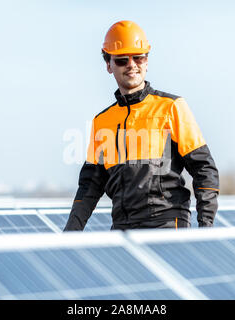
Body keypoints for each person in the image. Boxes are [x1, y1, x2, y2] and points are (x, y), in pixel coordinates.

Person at [64, 20, 219, 231]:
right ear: (108, 65)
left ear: (146, 62)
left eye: (138, 57)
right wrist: (70, 234)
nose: (132, 65)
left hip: (167, 225)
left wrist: (206, 226)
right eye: (121, 60)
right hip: (122, 229)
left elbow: (204, 169)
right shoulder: (101, 123)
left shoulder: (171, 107)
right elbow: (89, 186)